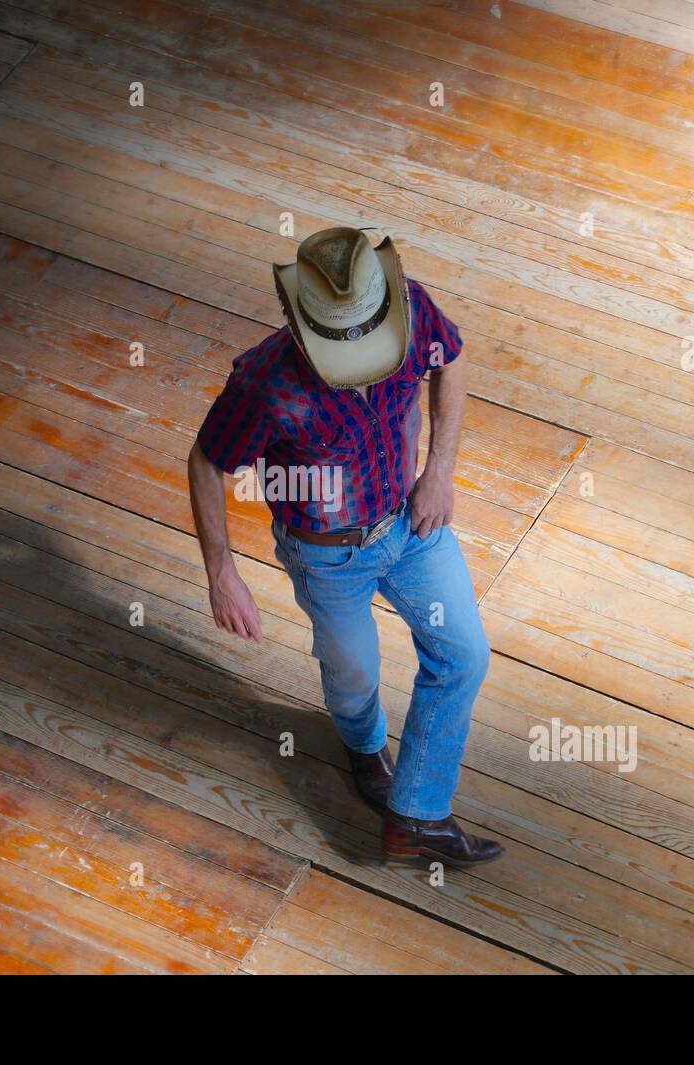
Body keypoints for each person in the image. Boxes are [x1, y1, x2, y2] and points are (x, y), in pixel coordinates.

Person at [188, 227, 502, 866]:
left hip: (411, 527)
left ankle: (415, 817)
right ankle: (363, 750)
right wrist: (221, 570)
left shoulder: (410, 307)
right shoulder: (268, 384)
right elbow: (205, 461)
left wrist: (439, 469)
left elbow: (454, 357)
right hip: (327, 557)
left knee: (463, 656)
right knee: (353, 676)